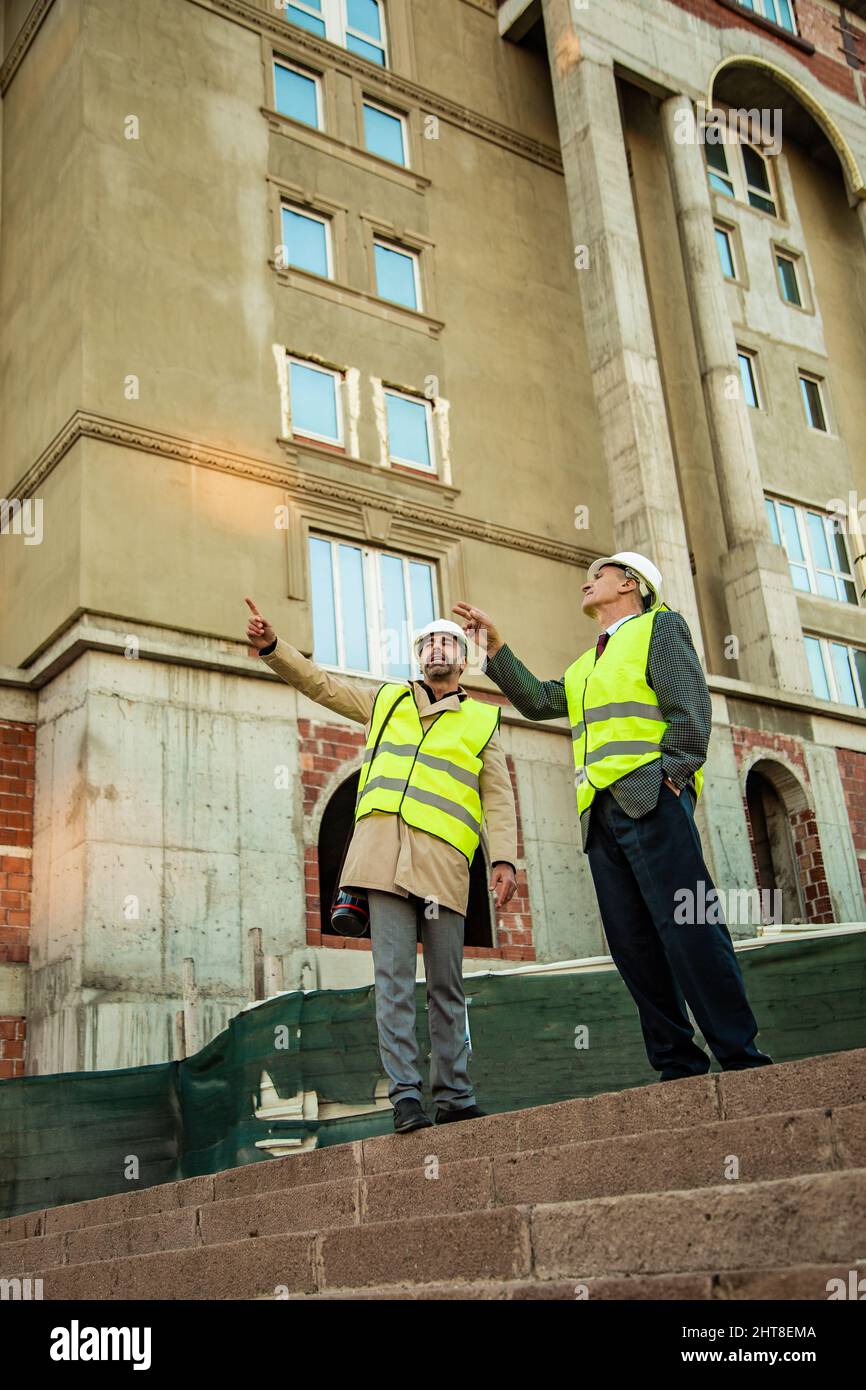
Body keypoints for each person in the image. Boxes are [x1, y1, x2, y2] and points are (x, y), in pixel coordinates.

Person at [453, 553, 774, 1082]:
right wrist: (494, 649)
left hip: (652, 802)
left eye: (597, 573)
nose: (587, 580)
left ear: (630, 583)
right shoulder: (586, 665)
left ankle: (741, 1057)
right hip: (601, 821)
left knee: (691, 928)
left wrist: (671, 778)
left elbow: (690, 710)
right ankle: (678, 1066)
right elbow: (536, 701)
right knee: (633, 946)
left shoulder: (661, 626)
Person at [244, 599, 519, 1130]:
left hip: (443, 870)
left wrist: (503, 859)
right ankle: (406, 1097)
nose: (436, 650)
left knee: (446, 986)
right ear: (419, 659)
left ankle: (456, 1097)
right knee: (393, 981)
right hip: (382, 864)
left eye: (446, 643)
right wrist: (274, 649)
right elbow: (322, 684)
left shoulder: (484, 721)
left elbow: (499, 799)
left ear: (462, 660)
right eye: (427, 645)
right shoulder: (387, 701)